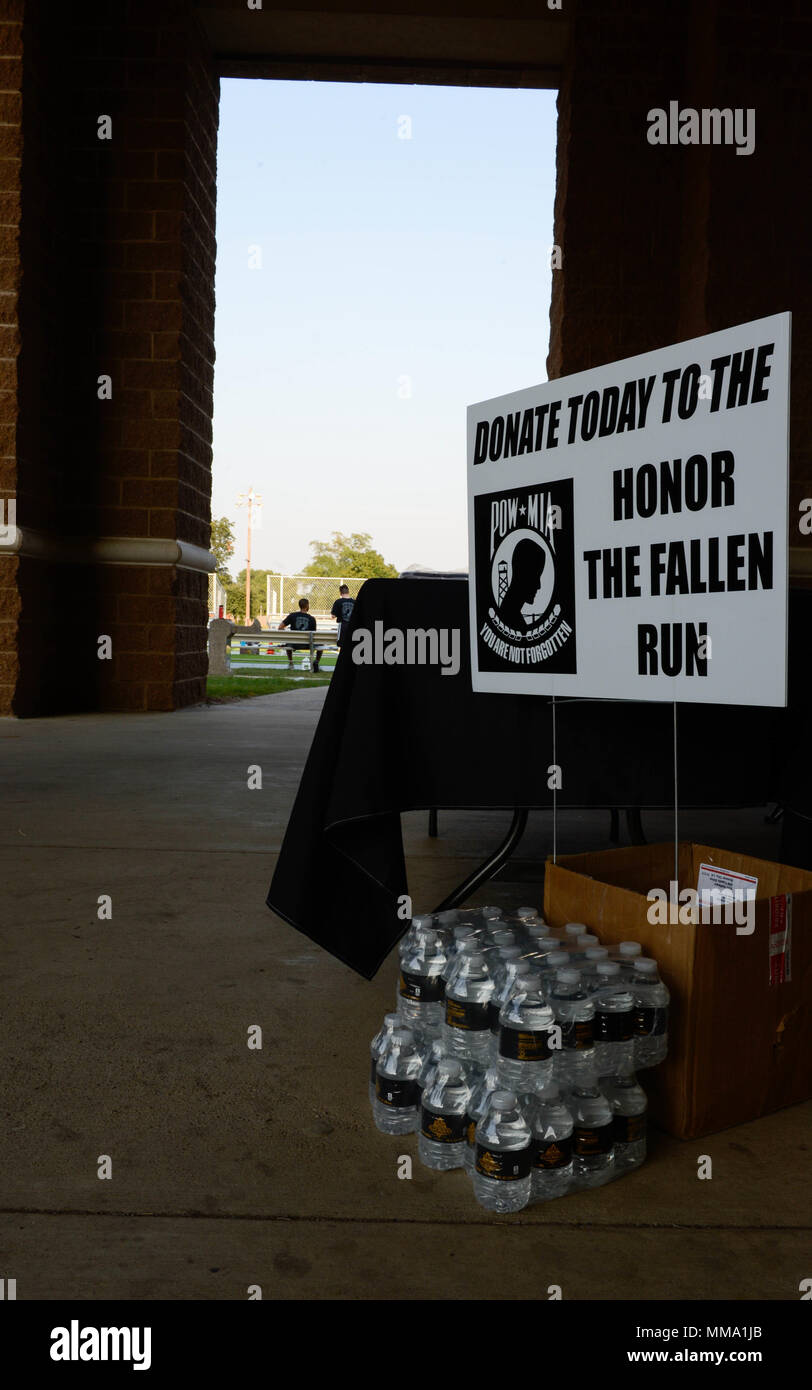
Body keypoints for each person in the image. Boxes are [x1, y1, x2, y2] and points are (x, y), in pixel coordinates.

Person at [278, 598, 322, 672]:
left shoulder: (292, 616)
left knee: (288, 644)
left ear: (299, 606)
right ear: (307, 606)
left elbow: (280, 627)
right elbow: (313, 634)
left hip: (294, 644)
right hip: (308, 644)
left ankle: (291, 663)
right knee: (321, 646)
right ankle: (316, 662)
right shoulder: (312, 619)